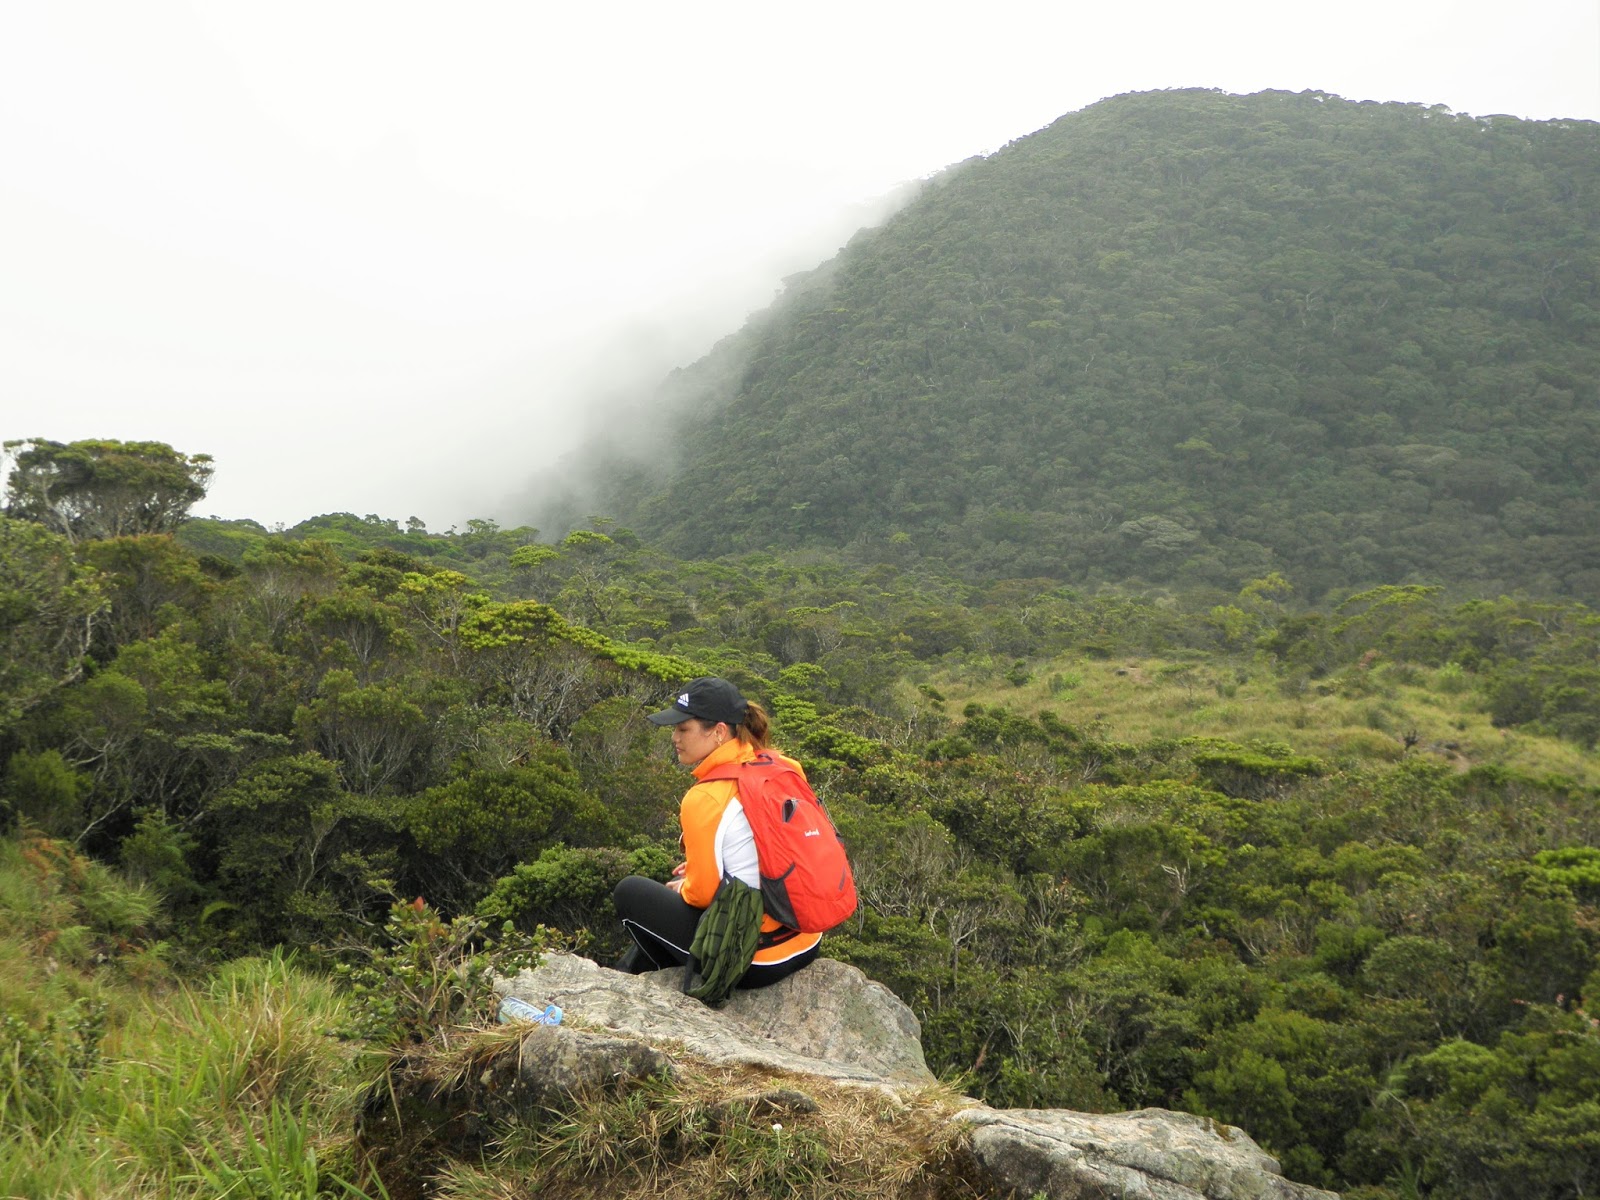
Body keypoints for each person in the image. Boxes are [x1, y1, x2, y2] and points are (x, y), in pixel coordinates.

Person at [612, 676, 821, 987]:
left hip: (758, 959)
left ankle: (643, 984)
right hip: (806, 939)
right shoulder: (784, 766)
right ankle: (634, 974)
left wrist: (684, 885)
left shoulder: (705, 797)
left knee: (630, 892)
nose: (674, 737)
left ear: (719, 732)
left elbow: (702, 894)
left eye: (684, 728)